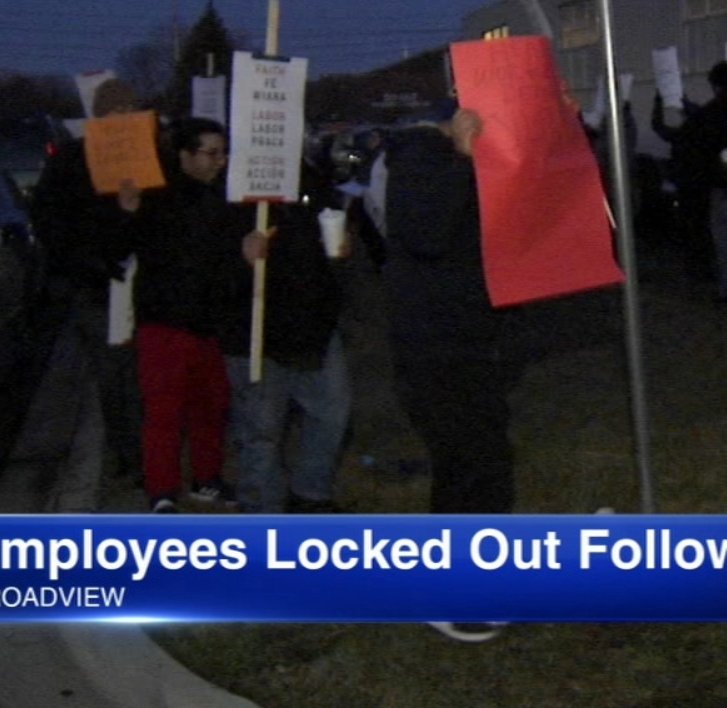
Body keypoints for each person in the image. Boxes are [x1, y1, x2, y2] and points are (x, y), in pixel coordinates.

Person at [380, 100, 524, 643]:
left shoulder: (461, 159)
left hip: (471, 339)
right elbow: (428, 234)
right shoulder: (418, 158)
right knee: (466, 467)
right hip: (434, 346)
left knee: (485, 464)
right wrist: (463, 159)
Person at [118, 117, 257, 513]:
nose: (220, 160)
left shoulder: (222, 198)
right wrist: (128, 213)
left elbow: (220, 260)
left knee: (209, 407)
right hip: (165, 320)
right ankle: (161, 490)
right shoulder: (156, 197)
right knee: (164, 410)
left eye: (223, 152)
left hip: (209, 321)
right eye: (211, 153)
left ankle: (206, 479)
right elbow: (126, 247)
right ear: (184, 155)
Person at [218, 159, 352, 514]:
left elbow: (325, 224)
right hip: (252, 327)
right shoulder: (227, 187)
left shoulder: (307, 177)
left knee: (331, 411)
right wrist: (239, 258)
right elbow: (201, 267)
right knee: (261, 428)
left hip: (311, 321)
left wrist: (337, 247)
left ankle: (310, 493)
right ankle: (262, 509)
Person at [28, 77, 145, 484]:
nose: (123, 118)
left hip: (143, 284)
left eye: (129, 110)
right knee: (113, 374)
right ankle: (128, 454)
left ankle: (145, 451)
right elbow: (51, 223)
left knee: (140, 373)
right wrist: (90, 262)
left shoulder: (148, 158)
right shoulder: (71, 160)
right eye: (115, 110)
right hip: (97, 286)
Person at [652, 60, 727, 300]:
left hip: (721, 183)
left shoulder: (709, 113)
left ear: (713, 84)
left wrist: (661, 103)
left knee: (724, 242)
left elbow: (671, 133)